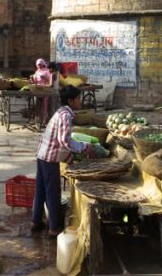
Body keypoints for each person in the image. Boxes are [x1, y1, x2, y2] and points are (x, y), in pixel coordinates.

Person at [31, 86, 96, 237]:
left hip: (42, 154)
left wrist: (69, 158)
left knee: (40, 189)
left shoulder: (61, 112)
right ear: (71, 101)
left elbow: (59, 141)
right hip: (50, 158)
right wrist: (85, 147)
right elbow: (64, 140)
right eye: (78, 99)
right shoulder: (65, 116)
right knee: (53, 192)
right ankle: (54, 228)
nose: (80, 101)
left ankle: (36, 221)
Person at [30, 58, 53, 127]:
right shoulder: (37, 71)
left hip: (45, 89)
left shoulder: (47, 71)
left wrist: (44, 78)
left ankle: (44, 121)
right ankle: (37, 120)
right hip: (37, 89)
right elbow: (35, 81)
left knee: (44, 106)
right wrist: (32, 79)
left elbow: (50, 81)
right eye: (38, 65)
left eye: (40, 64)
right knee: (37, 105)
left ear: (43, 64)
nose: (39, 66)